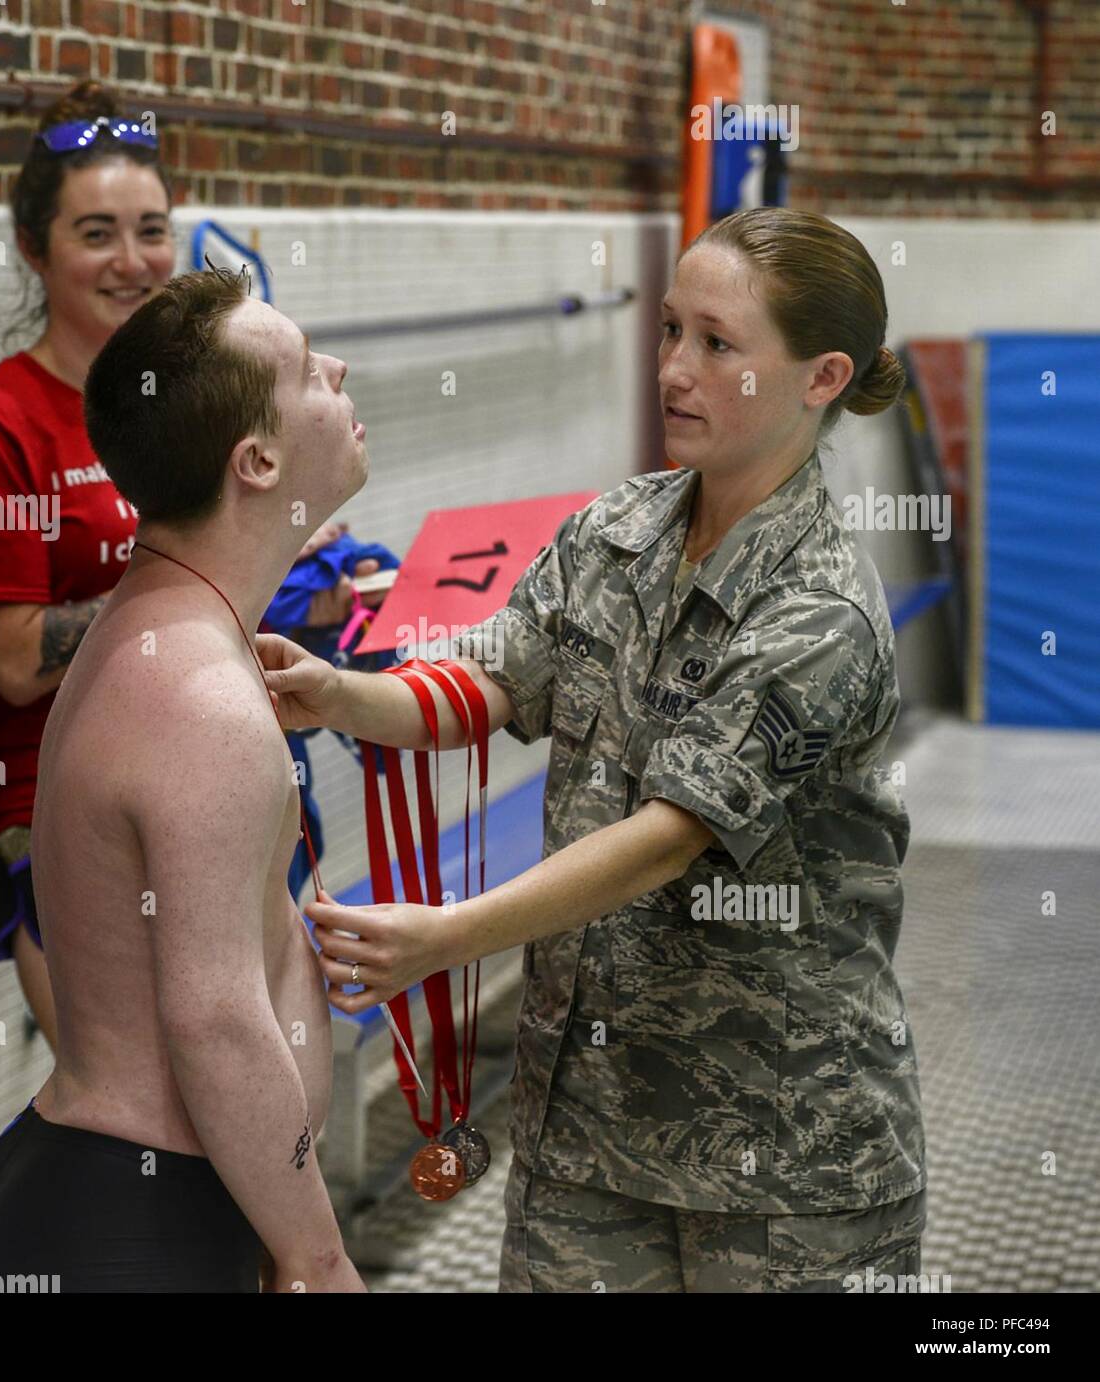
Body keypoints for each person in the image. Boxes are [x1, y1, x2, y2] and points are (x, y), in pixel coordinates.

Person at [260, 207, 926, 1293]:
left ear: (820, 377)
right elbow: (491, 676)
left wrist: (449, 936)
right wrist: (335, 692)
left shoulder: (819, 610)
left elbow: (666, 839)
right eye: (669, 329)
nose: (673, 367)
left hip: (784, 1161)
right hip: (587, 1136)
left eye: (717, 344)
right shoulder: (615, 529)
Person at [0, 80, 379, 1050]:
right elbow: (11, 660)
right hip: (69, 809)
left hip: (219, 776)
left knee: (254, 1093)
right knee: (138, 1117)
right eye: (96, 233)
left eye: (152, 229)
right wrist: (203, 577)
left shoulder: (202, 398)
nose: (132, 261)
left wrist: (308, 586)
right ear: (32, 246)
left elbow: (223, 588)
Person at [0, 265, 370, 1292]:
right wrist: (317, 1254)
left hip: (127, 1200)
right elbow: (214, 1017)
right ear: (259, 460)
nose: (339, 370)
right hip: (136, 1225)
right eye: (310, 372)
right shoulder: (199, 697)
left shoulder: (158, 634)